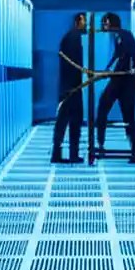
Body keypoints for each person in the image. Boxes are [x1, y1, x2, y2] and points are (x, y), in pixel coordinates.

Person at [95, 12, 135, 164]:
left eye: (105, 23)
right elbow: (120, 57)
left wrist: (115, 72)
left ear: (111, 22)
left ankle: (101, 144)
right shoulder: (121, 36)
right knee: (126, 116)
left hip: (124, 81)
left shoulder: (123, 35)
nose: (104, 26)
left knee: (107, 108)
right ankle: (134, 152)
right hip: (124, 80)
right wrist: (108, 70)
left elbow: (129, 57)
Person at [51, 12, 87, 164]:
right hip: (72, 87)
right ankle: (67, 154)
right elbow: (74, 64)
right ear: (79, 20)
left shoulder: (70, 37)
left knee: (65, 121)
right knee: (72, 121)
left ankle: (60, 154)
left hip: (69, 87)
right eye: (85, 21)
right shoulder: (74, 37)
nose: (86, 25)